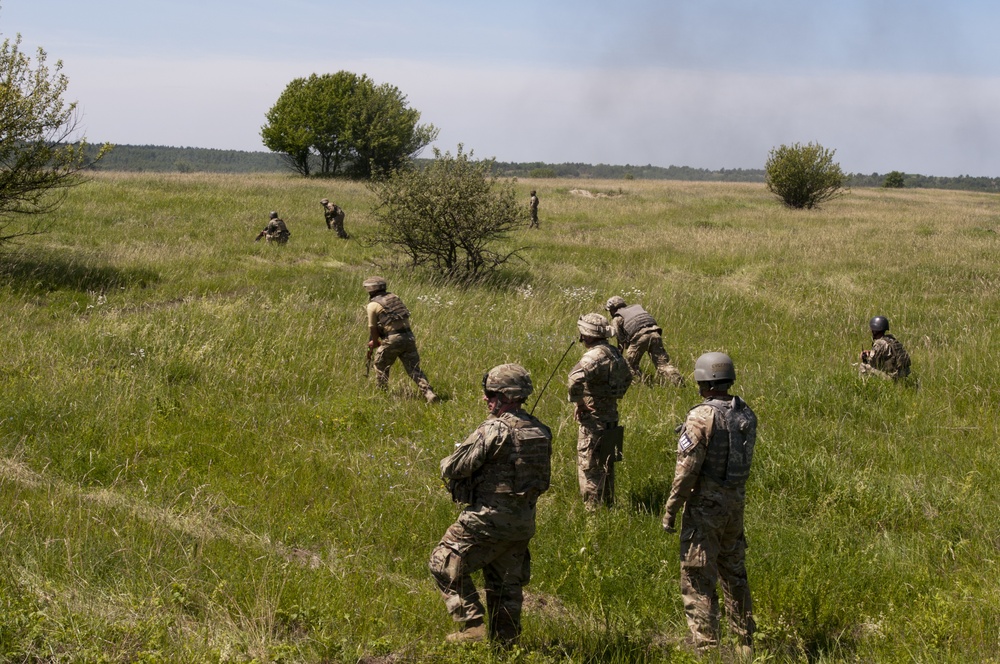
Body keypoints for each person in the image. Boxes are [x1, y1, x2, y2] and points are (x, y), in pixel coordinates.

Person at [429, 364, 553, 644]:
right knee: (505, 585)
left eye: (490, 393)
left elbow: (454, 467)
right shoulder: (542, 431)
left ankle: (471, 625)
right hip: (522, 522)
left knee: (441, 562)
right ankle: (506, 644)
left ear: (506, 396)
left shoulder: (495, 429)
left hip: (486, 520)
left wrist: (452, 457)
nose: (485, 398)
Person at [662, 352, 756, 658]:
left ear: (703, 380)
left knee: (697, 578)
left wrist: (671, 509)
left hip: (705, 508)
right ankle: (744, 643)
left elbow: (686, 469)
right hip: (735, 505)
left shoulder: (701, 416)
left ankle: (707, 650)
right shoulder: (745, 414)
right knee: (734, 573)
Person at [567, 313, 632, 509]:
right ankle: (608, 507)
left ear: (586, 335)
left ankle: (593, 515)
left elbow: (574, 379)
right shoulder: (615, 353)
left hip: (593, 421)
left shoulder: (593, 356)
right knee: (607, 465)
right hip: (611, 417)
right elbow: (628, 377)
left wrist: (579, 403)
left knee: (590, 469)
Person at [363, 276, 439, 403]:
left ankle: (382, 393)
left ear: (370, 290)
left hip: (392, 339)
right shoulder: (394, 297)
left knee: (380, 365)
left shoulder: (373, 305)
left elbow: (372, 327)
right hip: (408, 337)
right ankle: (429, 393)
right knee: (414, 368)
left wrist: (375, 341)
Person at [605, 296, 685, 386]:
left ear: (612, 310)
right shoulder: (637, 308)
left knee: (629, 365)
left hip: (640, 338)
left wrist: (618, 356)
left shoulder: (617, 318)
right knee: (662, 364)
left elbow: (621, 341)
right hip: (655, 334)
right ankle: (678, 383)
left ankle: (637, 384)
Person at [859, 315, 911, 380]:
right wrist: (869, 352)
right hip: (903, 375)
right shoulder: (891, 339)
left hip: (893, 377)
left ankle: (864, 384)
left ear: (875, 331)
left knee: (863, 366)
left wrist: (865, 357)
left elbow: (873, 363)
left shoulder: (879, 343)